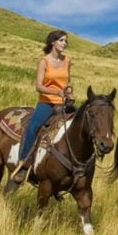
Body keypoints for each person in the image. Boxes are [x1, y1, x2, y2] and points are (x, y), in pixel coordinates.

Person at [12, 30, 74, 182]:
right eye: (61, 40)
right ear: (52, 42)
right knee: (34, 126)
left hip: (63, 102)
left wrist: (69, 92)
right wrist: (56, 91)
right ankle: (24, 164)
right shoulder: (44, 61)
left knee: (81, 123)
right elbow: (38, 86)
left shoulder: (67, 60)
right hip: (46, 102)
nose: (64, 43)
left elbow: (67, 82)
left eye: (65, 41)